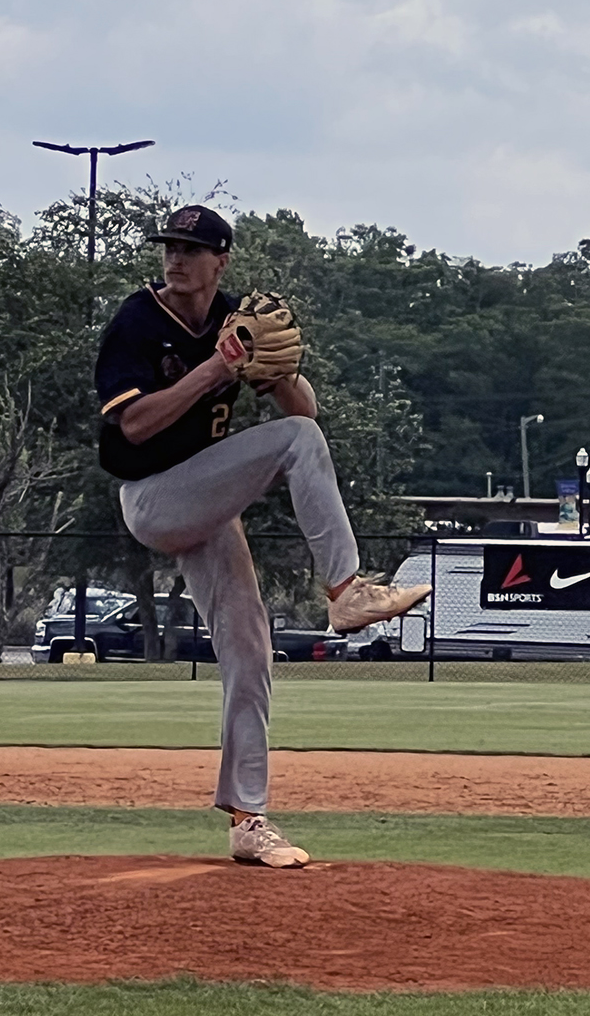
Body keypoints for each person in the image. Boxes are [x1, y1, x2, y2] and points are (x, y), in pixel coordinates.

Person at [96, 204, 430, 867]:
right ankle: (346, 589)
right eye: (170, 246)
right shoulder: (137, 319)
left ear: (221, 260)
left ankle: (248, 818)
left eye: (192, 248)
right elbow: (133, 426)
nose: (176, 258)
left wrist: (278, 370)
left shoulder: (234, 322)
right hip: (154, 496)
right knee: (297, 443)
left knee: (250, 646)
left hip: (207, 500)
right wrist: (215, 372)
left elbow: (304, 413)